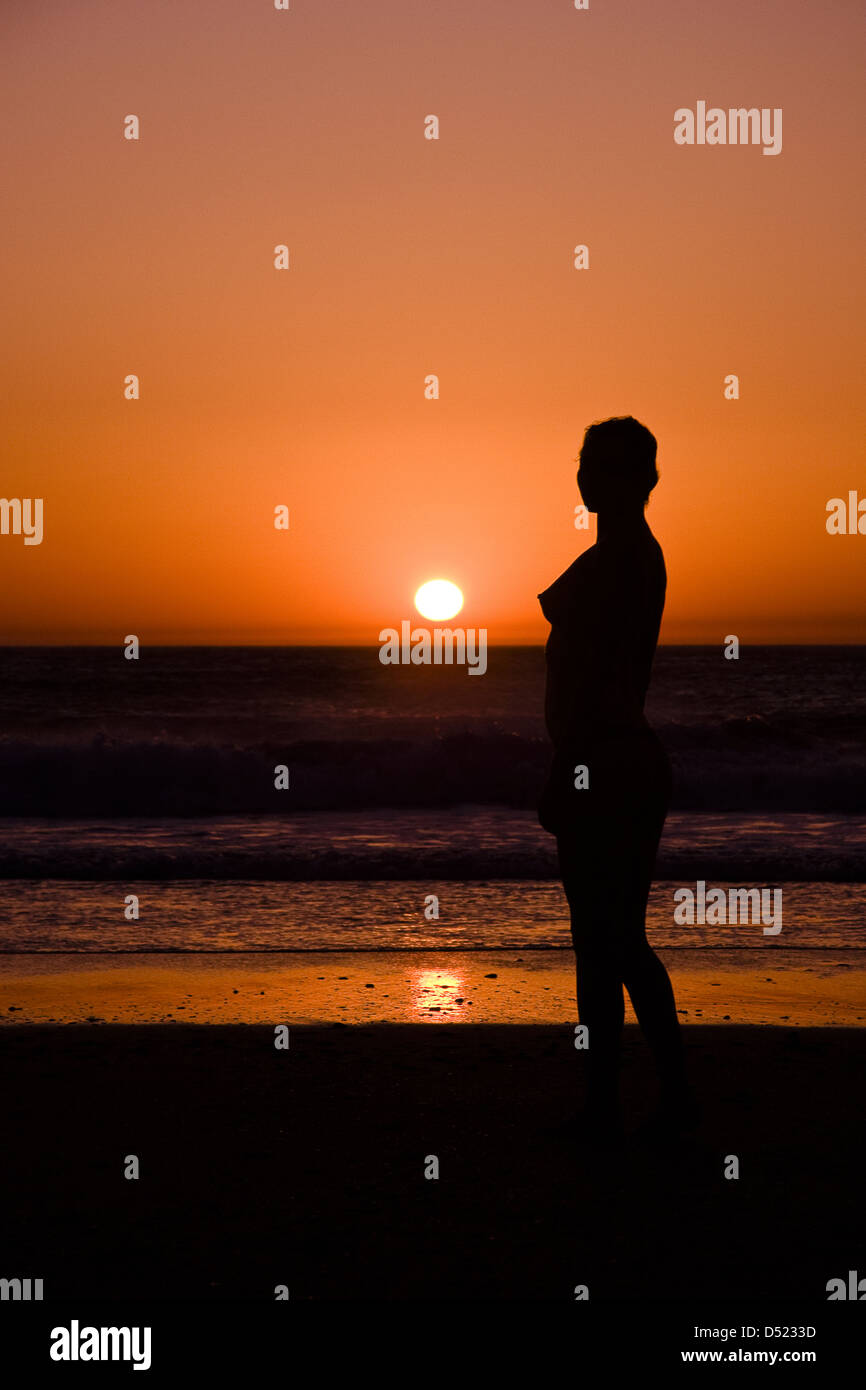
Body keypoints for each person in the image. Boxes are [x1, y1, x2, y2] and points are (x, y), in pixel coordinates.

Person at [538, 416, 698, 1142]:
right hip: (617, 758)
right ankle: (644, 1099)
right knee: (612, 940)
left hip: (607, 762)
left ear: (643, 479)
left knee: (607, 942)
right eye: (584, 462)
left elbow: (593, 682)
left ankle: (620, 1104)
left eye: (603, 465)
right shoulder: (625, 555)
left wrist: (567, 769)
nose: (586, 475)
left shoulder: (621, 560)